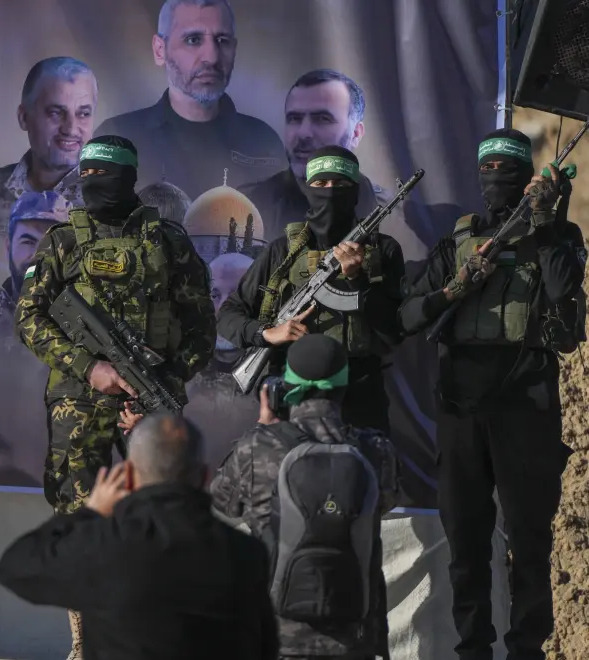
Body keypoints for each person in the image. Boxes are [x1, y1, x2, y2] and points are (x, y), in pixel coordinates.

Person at [14, 135, 216, 655]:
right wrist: (89, 367)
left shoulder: (168, 241)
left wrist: (163, 386)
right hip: (78, 401)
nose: (94, 184)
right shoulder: (62, 241)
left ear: (129, 178)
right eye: (86, 174)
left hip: (150, 402)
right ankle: (87, 642)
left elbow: (201, 328)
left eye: (105, 174)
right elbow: (30, 319)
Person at [399, 128, 584, 660]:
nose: (496, 179)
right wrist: (456, 287)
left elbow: (559, 289)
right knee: (466, 544)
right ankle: (472, 649)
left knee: (530, 542)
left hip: (526, 409)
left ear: (527, 176)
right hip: (460, 410)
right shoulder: (458, 241)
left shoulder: (559, 234)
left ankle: (528, 648)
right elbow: (409, 316)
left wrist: (547, 221)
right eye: (488, 169)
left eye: (508, 170)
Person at [0, 413, 280, 660]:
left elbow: (16, 567)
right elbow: (265, 646)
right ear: (204, 476)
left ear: (127, 477)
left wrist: (90, 513)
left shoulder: (104, 546)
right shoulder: (245, 553)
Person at [210, 333, 401, 660]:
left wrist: (262, 429)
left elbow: (223, 503)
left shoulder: (257, 448)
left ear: (284, 388)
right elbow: (383, 504)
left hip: (276, 638)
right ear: (343, 388)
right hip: (354, 637)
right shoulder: (375, 450)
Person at [217, 145, 405, 432]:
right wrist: (267, 333)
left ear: (355, 190)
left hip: (360, 395)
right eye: (321, 183)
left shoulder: (383, 250)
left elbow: (394, 331)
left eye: (340, 184)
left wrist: (357, 280)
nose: (330, 191)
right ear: (308, 189)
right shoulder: (283, 251)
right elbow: (229, 314)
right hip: (293, 392)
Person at [93, 0, 285, 200]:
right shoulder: (116, 139)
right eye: (193, 40)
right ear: (160, 50)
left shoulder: (265, 141)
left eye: (222, 40)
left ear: (234, 49)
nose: (211, 57)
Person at [238, 69, 391, 241]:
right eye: (295, 119)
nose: (304, 133)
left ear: (356, 134)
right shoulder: (249, 210)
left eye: (322, 119)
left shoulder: (385, 207)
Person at [0, 56, 97, 237]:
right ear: (24, 118)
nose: (70, 128)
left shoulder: (111, 201)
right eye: (55, 113)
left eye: (83, 113)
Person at [0, 190, 70, 333]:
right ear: (9, 247)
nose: (38, 254)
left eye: (52, 242)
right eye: (28, 242)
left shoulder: (87, 315)